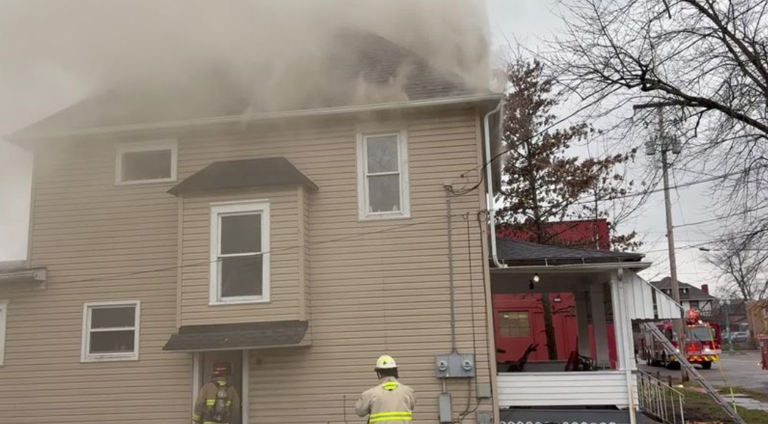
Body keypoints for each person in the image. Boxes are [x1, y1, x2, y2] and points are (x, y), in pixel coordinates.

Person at [356, 355, 415, 423]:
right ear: (395, 371)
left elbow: (360, 411)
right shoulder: (408, 392)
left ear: (379, 373)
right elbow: (411, 407)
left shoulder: (370, 394)